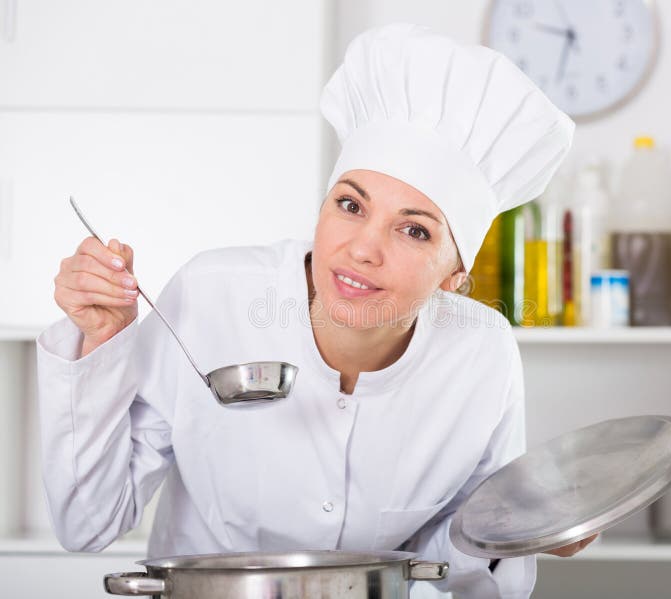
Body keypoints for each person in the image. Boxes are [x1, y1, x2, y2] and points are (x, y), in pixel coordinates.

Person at [36, 23, 595, 599]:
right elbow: (88, 523)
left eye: (414, 230)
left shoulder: (481, 352)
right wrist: (101, 341)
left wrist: (522, 532)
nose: (362, 248)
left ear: (454, 276)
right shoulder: (213, 296)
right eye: (350, 204)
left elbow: (464, 562)